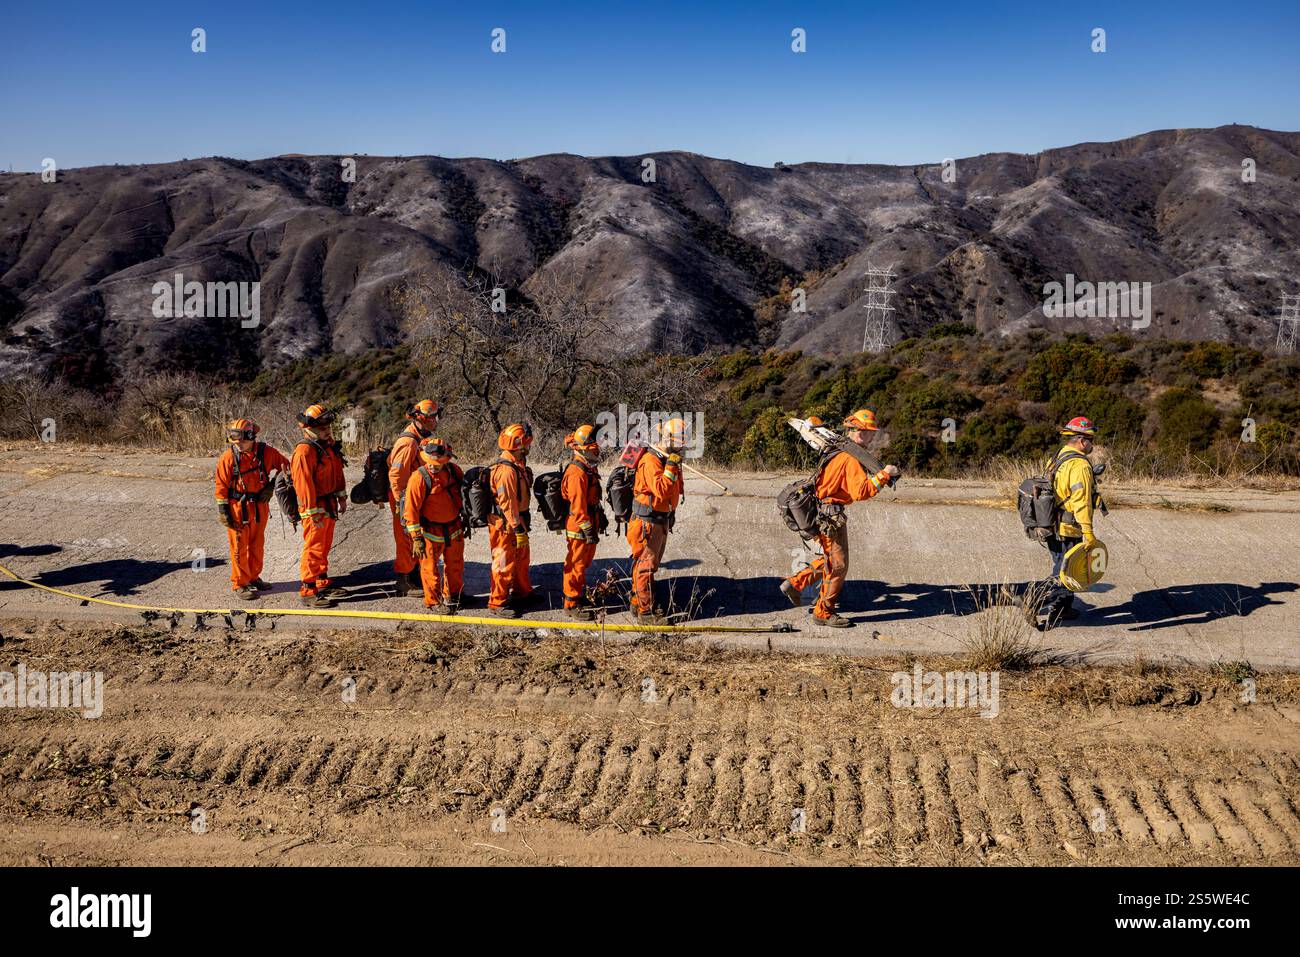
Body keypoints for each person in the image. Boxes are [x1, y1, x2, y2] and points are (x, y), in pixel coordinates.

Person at [779, 409, 901, 628]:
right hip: (830, 516)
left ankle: (796, 583)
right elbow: (861, 492)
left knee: (830, 558)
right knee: (838, 565)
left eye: (871, 433)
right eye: (865, 432)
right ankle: (823, 612)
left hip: (820, 511)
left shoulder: (838, 449)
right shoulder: (850, 459)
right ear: (854, 431)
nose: (870, 437)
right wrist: (885, 475)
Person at [1034, 415, 1104, 630]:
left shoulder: (1057, 457)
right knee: (1067, 573)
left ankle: (1062, 609)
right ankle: (1034, 600)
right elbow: (1081, 502)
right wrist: (1088, 532)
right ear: (1083, 441)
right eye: (1091, 439)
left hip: (1051, 525)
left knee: (1062, 565)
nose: (1092, 444)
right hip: (1068, 527)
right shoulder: (1080, 465)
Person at [215, 418, 289, 600]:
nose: (238, 444)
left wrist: (272, 486)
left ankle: (254, 577)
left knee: (257, 544)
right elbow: (221, 487)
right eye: (235, 441)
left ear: (251, 437)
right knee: (239, 546)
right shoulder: (228, 457)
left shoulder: (266, 452)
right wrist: (224, 512)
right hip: (237, 508)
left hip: (259, 506)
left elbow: (287, 467)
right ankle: (240, 583)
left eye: (242, 440)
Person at [628, 418, 688, 625]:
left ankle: (639, 601)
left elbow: (673, 491)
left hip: (660, 520)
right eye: (679, 442)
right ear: (668, 439)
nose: (682, 446)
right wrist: (671, 466)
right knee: (645, 566)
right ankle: (645, 613)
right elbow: (661, 490)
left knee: (649, 566)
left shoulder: (665, 458)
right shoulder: (651, 461)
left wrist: (671, 513)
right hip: (647, 523)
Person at [291, 404, 348, 607]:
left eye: (328, 425)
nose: (326, 429)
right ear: (307, 427)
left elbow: (337, 472)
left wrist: (341, 497)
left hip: (329, 504)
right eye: (321, 426)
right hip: (315, 508)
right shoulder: (305, 451)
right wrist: (311, 512)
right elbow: (303, 484)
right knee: (314, 548)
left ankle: (321, 580)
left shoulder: (328, 446)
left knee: (323, 547)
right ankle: (308, 589)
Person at [403, 437, 465, 615]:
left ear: (446, 460)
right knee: (430, 568)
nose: (432, 466)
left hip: (454, 528)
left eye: (437, 463)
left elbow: (463, 496)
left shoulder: (454, 471)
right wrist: (416, 538)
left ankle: (453, 596)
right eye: (429, 462)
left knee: (455, 565)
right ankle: (434, 602)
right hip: (430, 532)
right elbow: (411, 510)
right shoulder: (419, 478)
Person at [387, 399, 442, 597]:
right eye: (433, 417)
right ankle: (404, 580)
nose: (436, 420)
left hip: (415, 497)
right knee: (406, 538)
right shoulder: (408, 442)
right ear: (422, 419)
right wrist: (401, 503)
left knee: (415, 536)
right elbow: (396, 475)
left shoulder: (422, 437)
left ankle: (415, 573)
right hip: (404, 498)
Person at [486, 423, 538, 617]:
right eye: (527, 443)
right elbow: (507, 503)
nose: (529, 446)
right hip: (505, 525)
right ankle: (497, 602)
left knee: (521, 559)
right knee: (503, 562)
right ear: (519, 445)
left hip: (517, 521)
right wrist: (517, 528)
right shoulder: (506, 471)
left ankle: (522, 593)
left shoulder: (517, 464)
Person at [560, 424, 605, 619]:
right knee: (575, 564)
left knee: (583, 563)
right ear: (585, 448)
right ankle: (571, 603)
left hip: (588, 521)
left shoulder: (587, 468)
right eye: (594, 445)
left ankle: (577, 595)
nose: (598, 449)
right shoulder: (577, 472)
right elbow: (578, 508)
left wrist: (599, 518)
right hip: (579, 526)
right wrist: (588, 530)